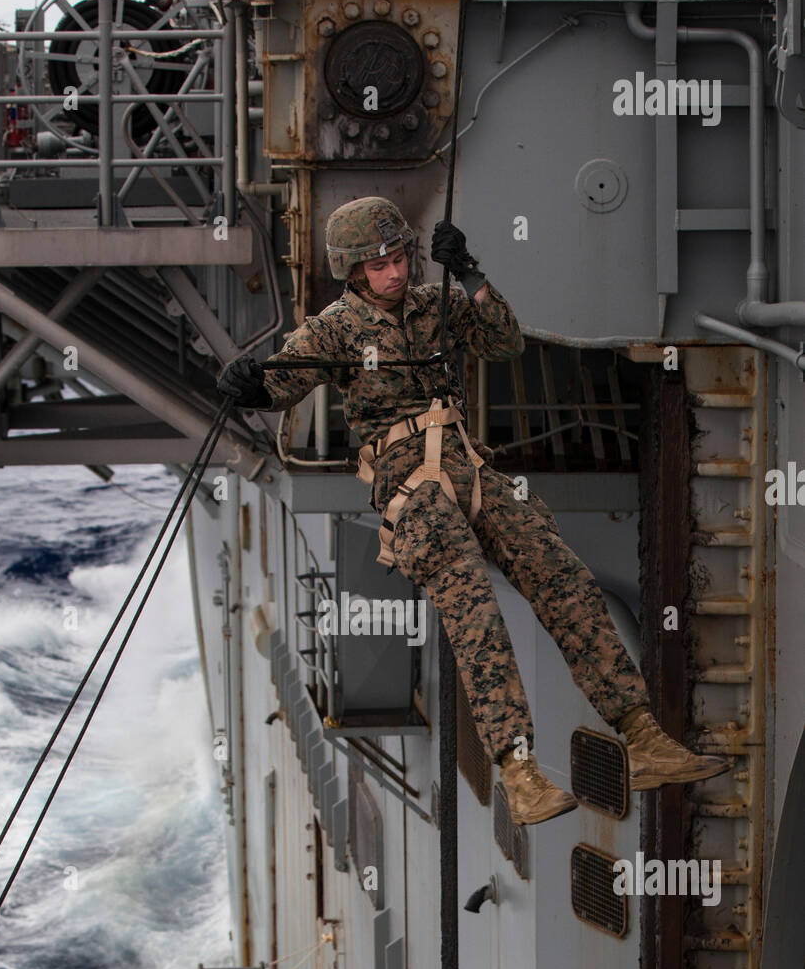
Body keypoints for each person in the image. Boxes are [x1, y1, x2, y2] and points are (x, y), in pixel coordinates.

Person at [217, 197, 729, 824]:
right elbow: (277, 383)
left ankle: (643, 736)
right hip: (410, 484)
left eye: (401, 258)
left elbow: (503, 341)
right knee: (473, 612)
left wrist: (472, 275)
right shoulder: (335, 329)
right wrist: (245, 381)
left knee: (562, 578)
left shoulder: (436, 306)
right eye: (379, 265)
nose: (396, 273)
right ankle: (520, 774)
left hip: (473, 467)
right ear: (353, 272)